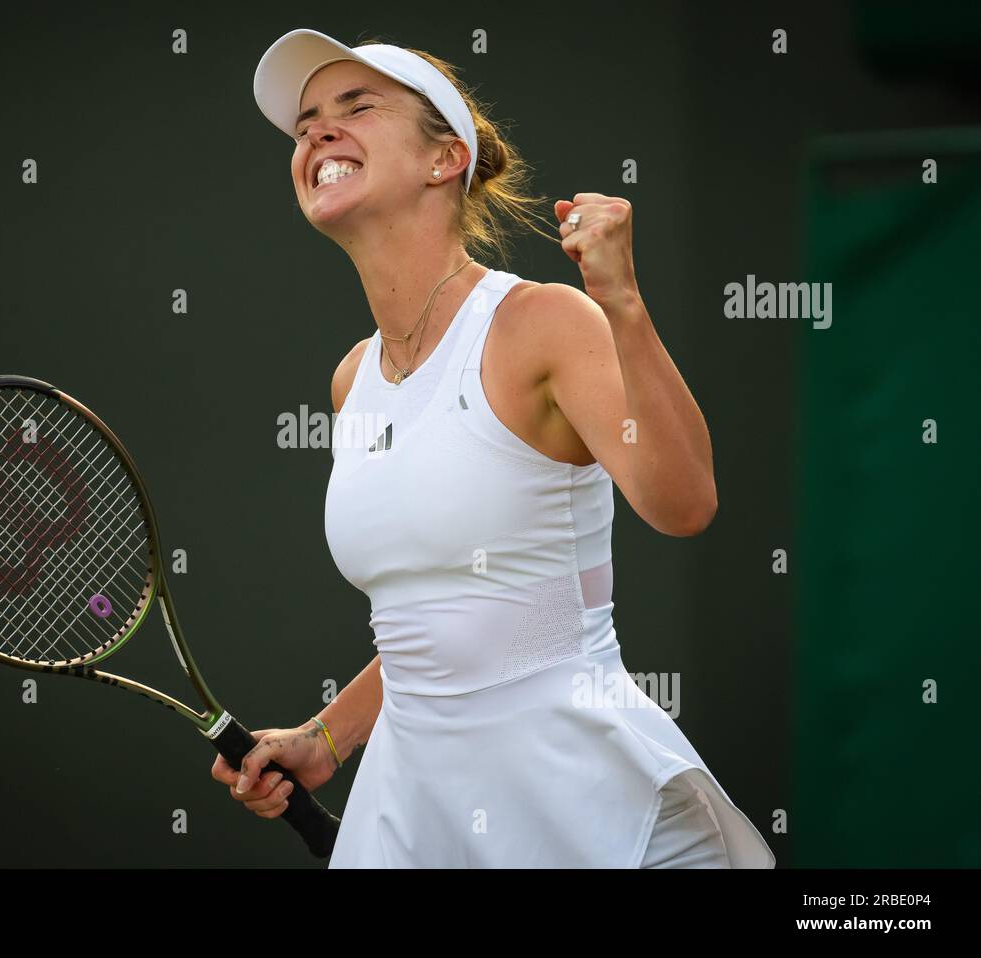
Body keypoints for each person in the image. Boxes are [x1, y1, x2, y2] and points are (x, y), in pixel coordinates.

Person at [210, 27, 776, 868]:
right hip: (412, 811)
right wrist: (329, 738)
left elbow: (685, 502)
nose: (317, 133)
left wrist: (620, 303)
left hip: (591, 802)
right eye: (305, 126)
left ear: (445, 160)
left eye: (355, 108)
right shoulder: (352, 380)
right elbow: (436, 621)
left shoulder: (541, 323)